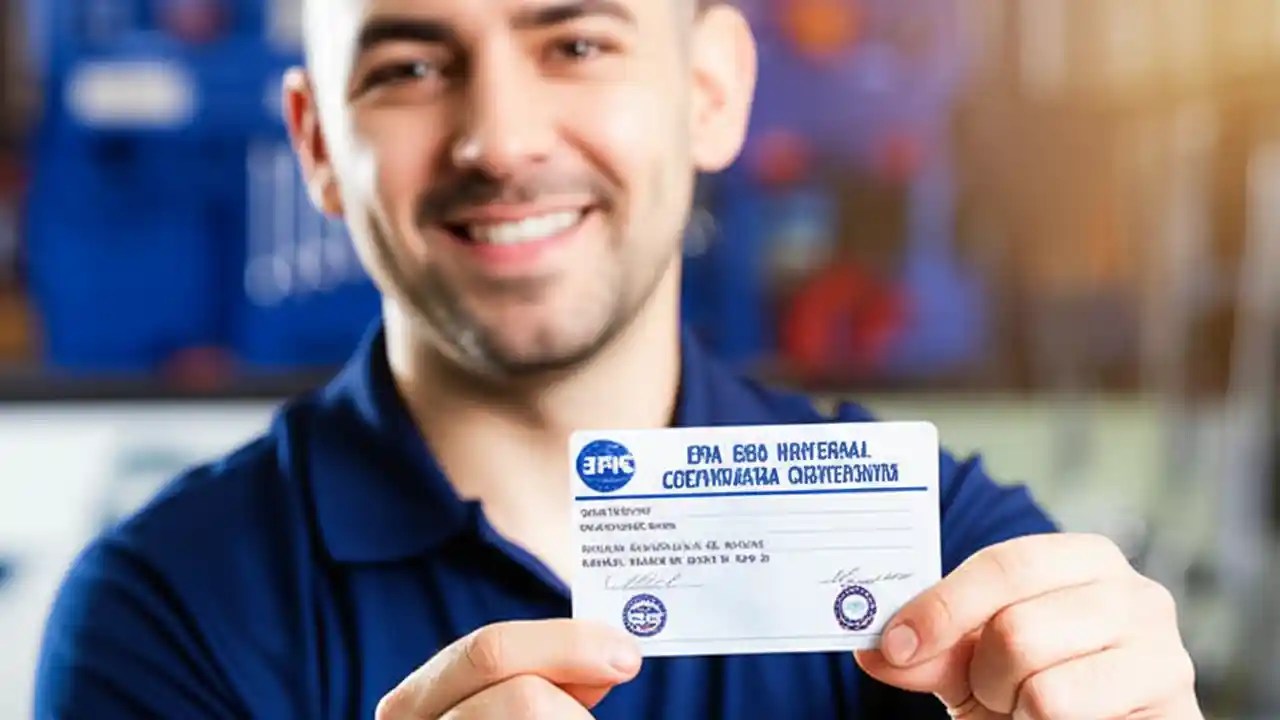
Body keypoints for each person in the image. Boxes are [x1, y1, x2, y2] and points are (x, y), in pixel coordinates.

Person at [34, 0, 1201, 718]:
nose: (500, 141)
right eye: (409, 68)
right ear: (317, 146)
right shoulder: (167, 612)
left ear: (710, 91)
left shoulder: (946, 549)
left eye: (577, 42)